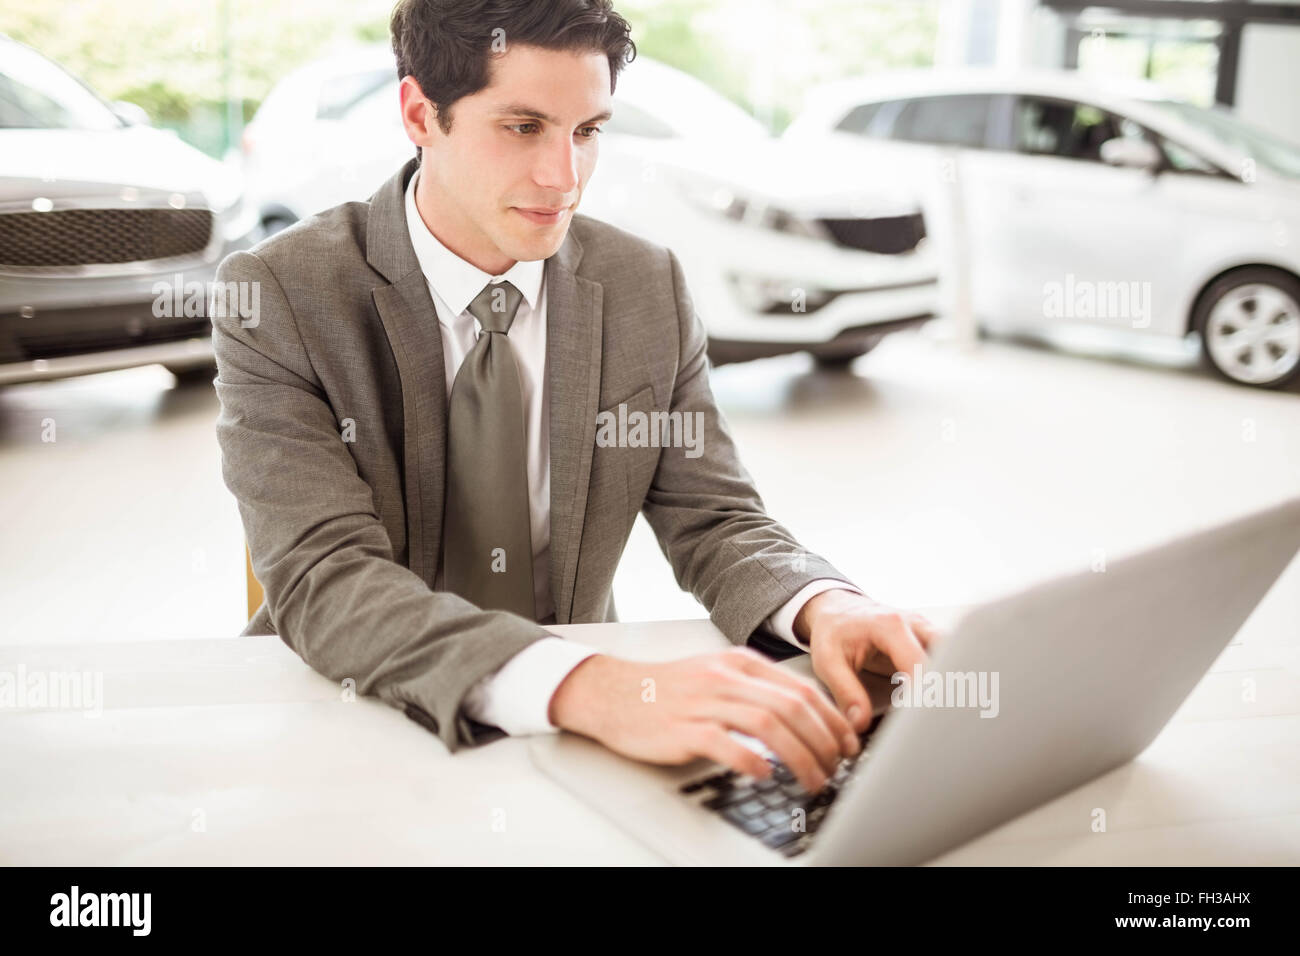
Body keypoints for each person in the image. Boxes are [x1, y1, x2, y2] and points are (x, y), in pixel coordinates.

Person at [213, 0, 940, 795]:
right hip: (353, 720)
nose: (564, 178)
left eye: (587, 131)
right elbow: (326, 576)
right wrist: (583, 684)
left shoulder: (642, 284)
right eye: (523, 128)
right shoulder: (282, 294)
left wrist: (823, 604)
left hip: (578, 739)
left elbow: (715, 518)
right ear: (421, 113)